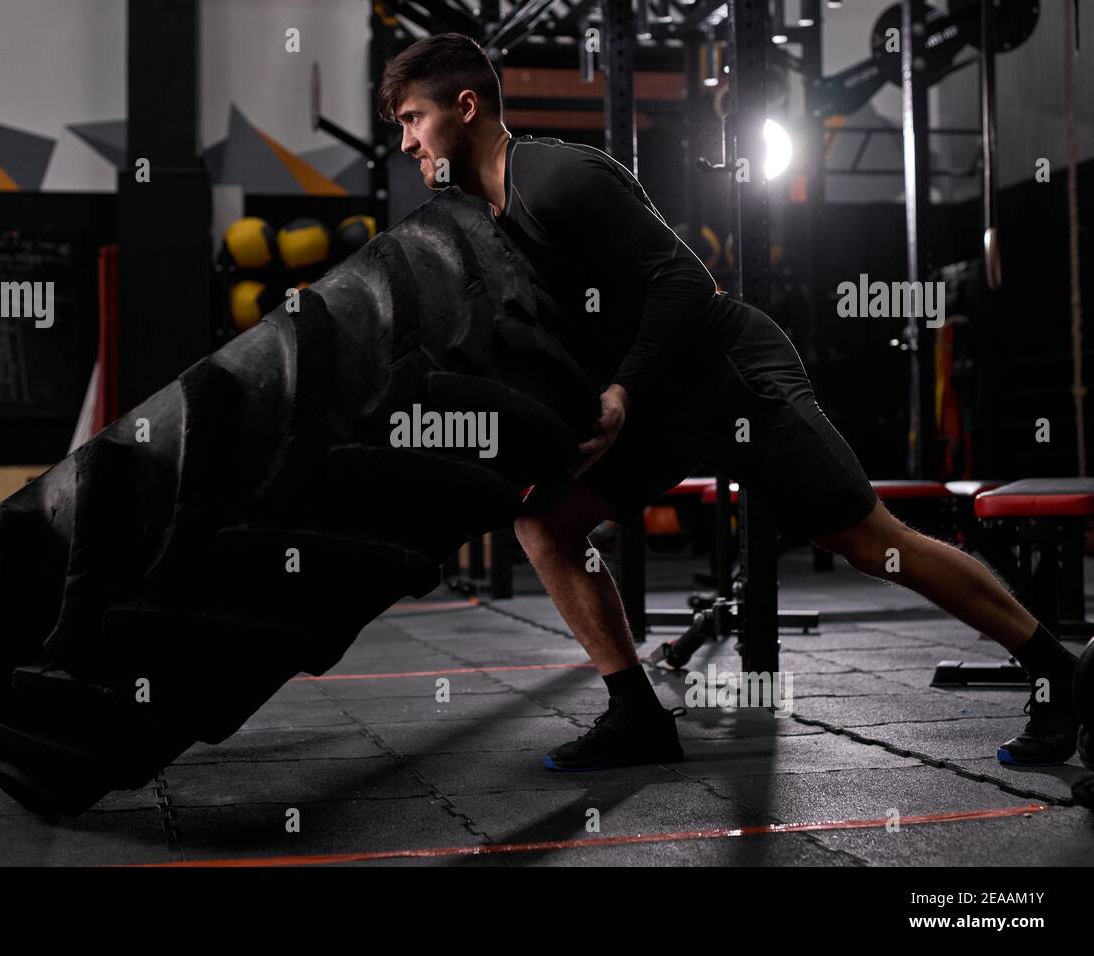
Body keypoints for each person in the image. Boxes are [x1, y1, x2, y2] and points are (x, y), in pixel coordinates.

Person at [376, 33, 1081, 772]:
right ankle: (637, 716)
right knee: (546, 523)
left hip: (729, 371)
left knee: (872, 544)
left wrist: (621, 392)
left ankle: (1056, 670)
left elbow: (684, 282)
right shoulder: (491, 217)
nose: (407, 142)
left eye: (413, 119)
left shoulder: (554, 177)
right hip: (661, 401)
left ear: (466, 106)